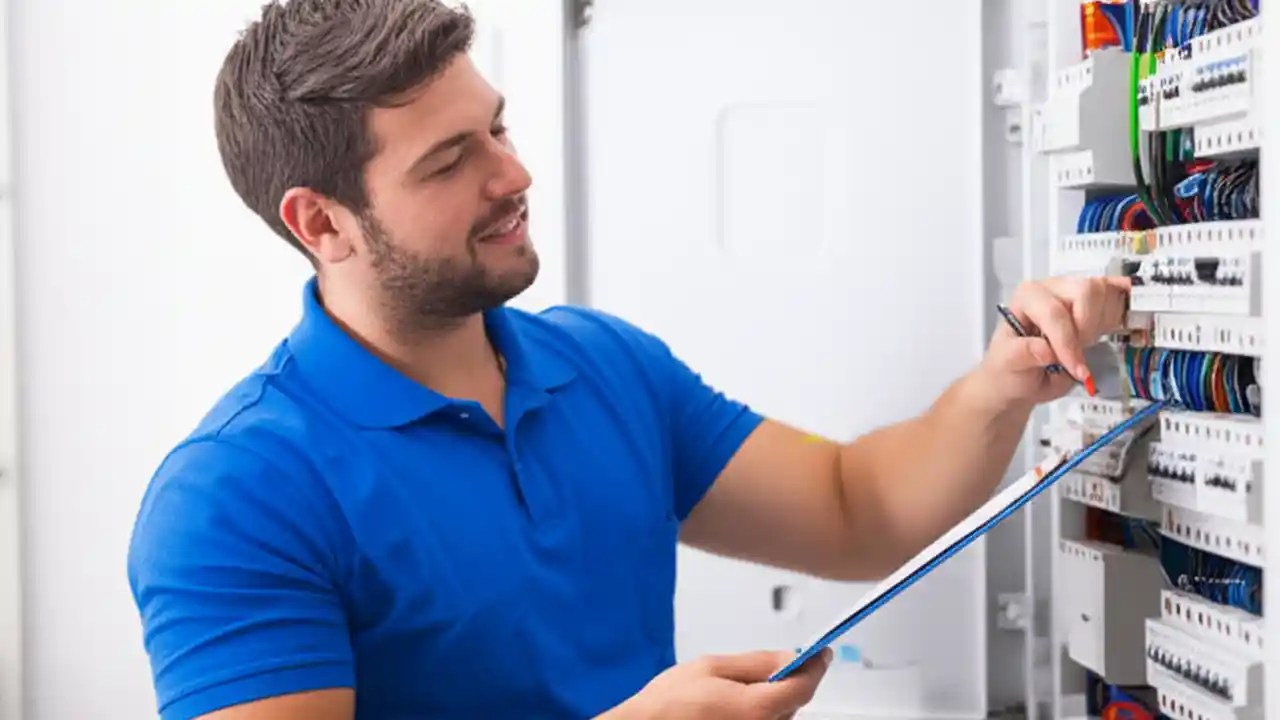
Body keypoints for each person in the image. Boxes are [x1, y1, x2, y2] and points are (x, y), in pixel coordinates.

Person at [125, 1, 1131, 718]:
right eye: (449, 160)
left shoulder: (602, 368)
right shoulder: (236, 494)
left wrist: (1000, 382)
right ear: (321, 223)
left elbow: (857, 509)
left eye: (498, 128)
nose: (512, 175)